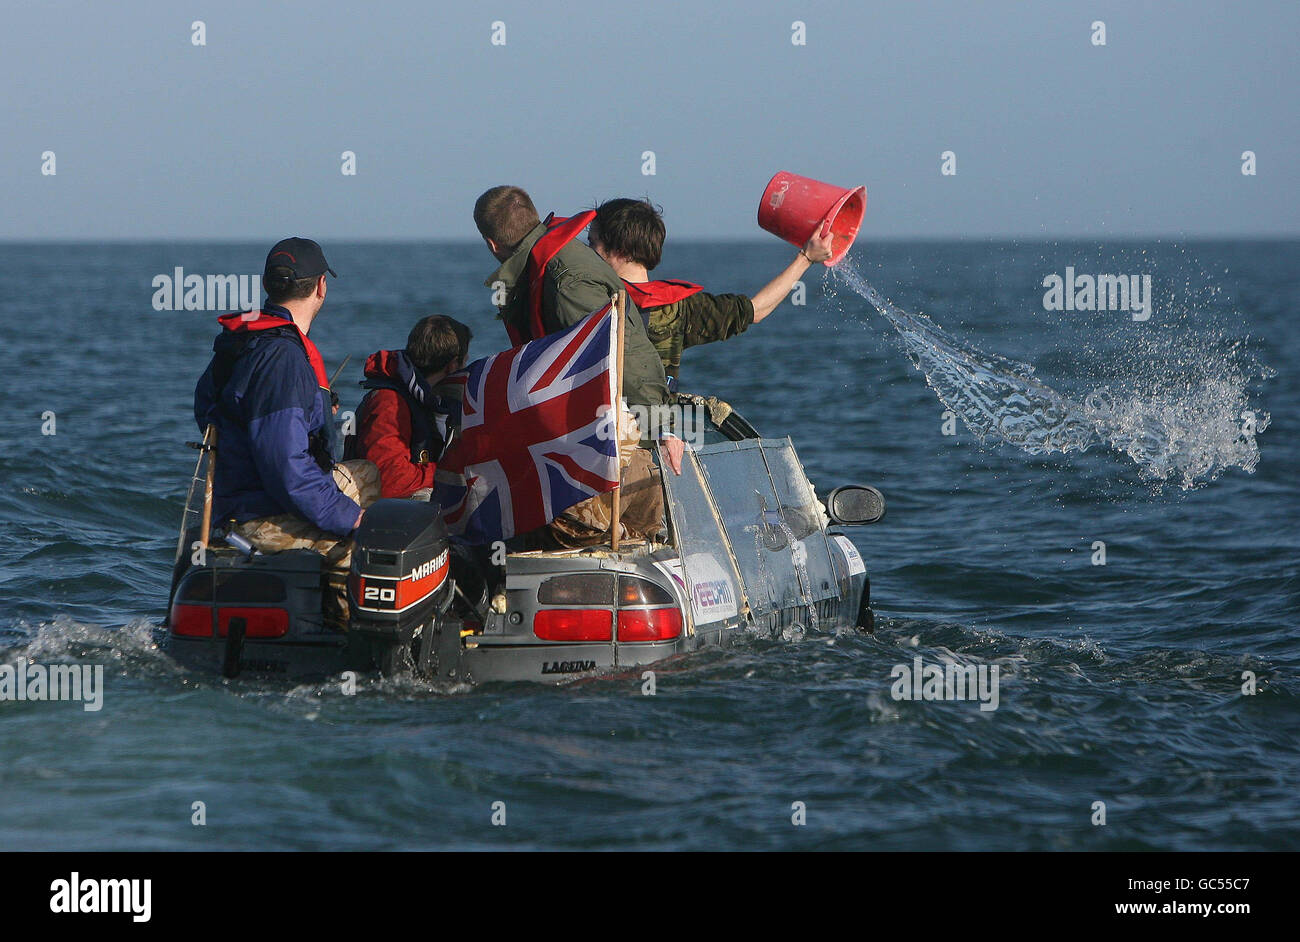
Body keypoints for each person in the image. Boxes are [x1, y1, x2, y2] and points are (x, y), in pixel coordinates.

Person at [473, 185, 677, 544]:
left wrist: (663, 427)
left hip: (619, 453)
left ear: (492, 244)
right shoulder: (553, 265)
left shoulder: (565, 280)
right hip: (606, 443)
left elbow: (622, 354)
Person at [194, 237, 380, 626]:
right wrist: (351, 520)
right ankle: (345, 637)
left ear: (268, 287)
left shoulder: (242, 340)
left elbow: (213, 409)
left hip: (238, 494)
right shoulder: (284, 357)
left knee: (367, 472)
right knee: (364, 544)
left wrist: (313, 410)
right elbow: (284, 466)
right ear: (320, 288)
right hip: (260, 514)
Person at [588, 198, 834, 390]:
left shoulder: (586, 299)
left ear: (619, 248)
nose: (587, 253)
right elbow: (757, 310)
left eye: (593, 243)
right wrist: (806, 258)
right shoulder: (681, 308)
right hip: (651, 439)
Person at [353, 315, 471, 499]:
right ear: (453, 366)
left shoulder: (437, 404)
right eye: (465, 363)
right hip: (382, 519)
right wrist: (453, 474)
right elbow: (388, 479)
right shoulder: (389, 403)